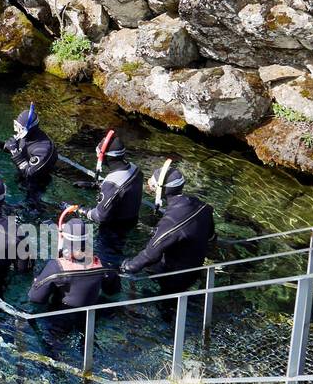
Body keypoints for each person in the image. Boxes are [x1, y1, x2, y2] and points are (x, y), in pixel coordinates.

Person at [122, 162, 215, 296]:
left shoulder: (171, 222)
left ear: (161, 190)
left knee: (166, 307)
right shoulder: (202, 206)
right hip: (194, 269)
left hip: (175, 277)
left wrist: (128, 267)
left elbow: (150, 255)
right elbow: (211, 237)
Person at [82, 130, 141, 295]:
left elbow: (100, 216)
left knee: (106, 261)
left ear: (104, 156)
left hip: (113, 230)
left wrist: (82, 210)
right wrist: (97, 185)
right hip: (130, 222)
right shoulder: (135, 170)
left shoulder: (112, 184)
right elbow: (121, 192)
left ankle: (110, 293)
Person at [28, 208, 105, 311]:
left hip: (60, 321)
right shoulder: (101, 264)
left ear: (66, 241)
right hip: (91, 319)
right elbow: (113, 290)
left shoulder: (56, 267)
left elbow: (36, 298)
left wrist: (37, 282)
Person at [0, 102, 57, 190]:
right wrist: (0, 145)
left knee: (30, 201)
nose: (16, 130)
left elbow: (30, 174)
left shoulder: (42, 149)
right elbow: (17, 148)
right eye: (16, 125)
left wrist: (14, 152)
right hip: (23, 168)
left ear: (29, 129)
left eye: (19, 128)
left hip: (37, 180)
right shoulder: (25, 136)